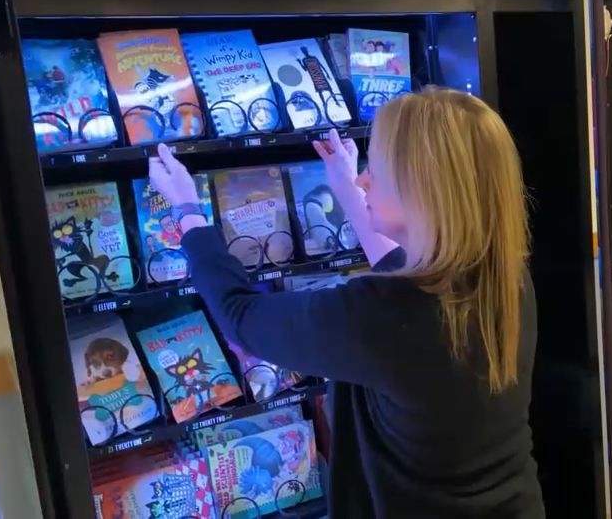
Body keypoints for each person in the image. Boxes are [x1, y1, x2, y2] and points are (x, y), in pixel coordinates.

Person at [148, 88, 544, 518]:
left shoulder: (380, 316)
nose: (363, 180)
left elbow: (240, 316)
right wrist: (342, 182)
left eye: (376, 169)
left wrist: (186, 210)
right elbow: (401, 272)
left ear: (423, 190)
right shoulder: (505, 277)